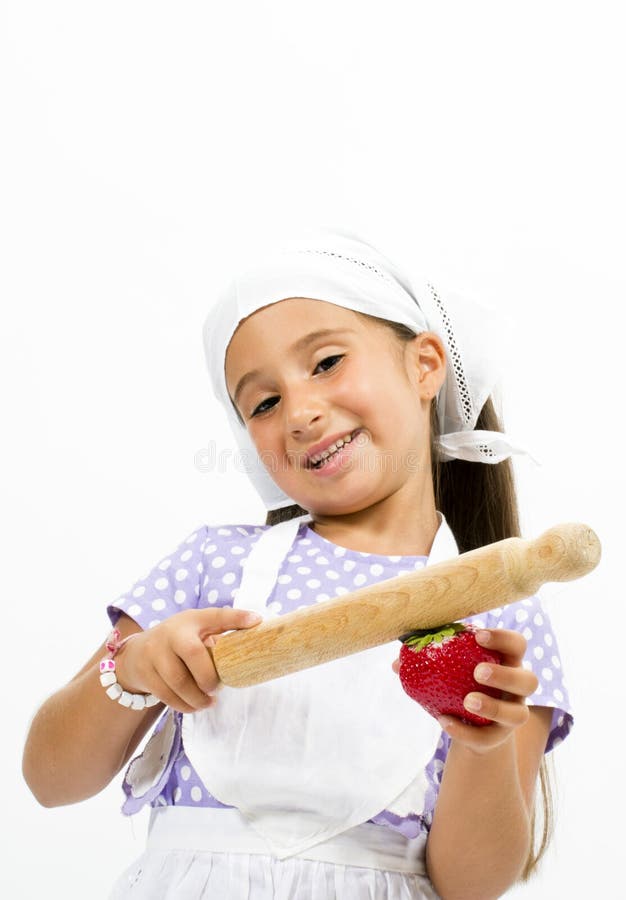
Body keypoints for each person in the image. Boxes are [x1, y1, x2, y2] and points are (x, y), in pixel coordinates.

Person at [23, 229, 573, 899]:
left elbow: (470, 886)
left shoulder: (500, 614)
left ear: (425, 364)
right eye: (263, 402)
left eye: (327, 362)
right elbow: (49, 779)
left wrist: (482, 744)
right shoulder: (212, 564)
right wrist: (131, 671)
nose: (302, 413)